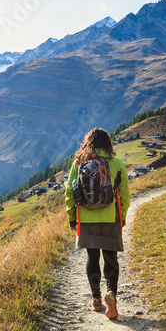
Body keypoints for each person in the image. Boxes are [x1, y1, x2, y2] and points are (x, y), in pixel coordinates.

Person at [65, 127, 130, 320]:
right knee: (110, 258)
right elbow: (125, 194)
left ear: (88, 143)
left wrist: (72, 218)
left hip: (86, 219)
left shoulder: (79, 163)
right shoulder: (117, 163)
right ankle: (112, 294)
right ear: (107, 144)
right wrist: (123, 217)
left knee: (91, 258)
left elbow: (69, 192)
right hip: (110, 218)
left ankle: (96, 298)